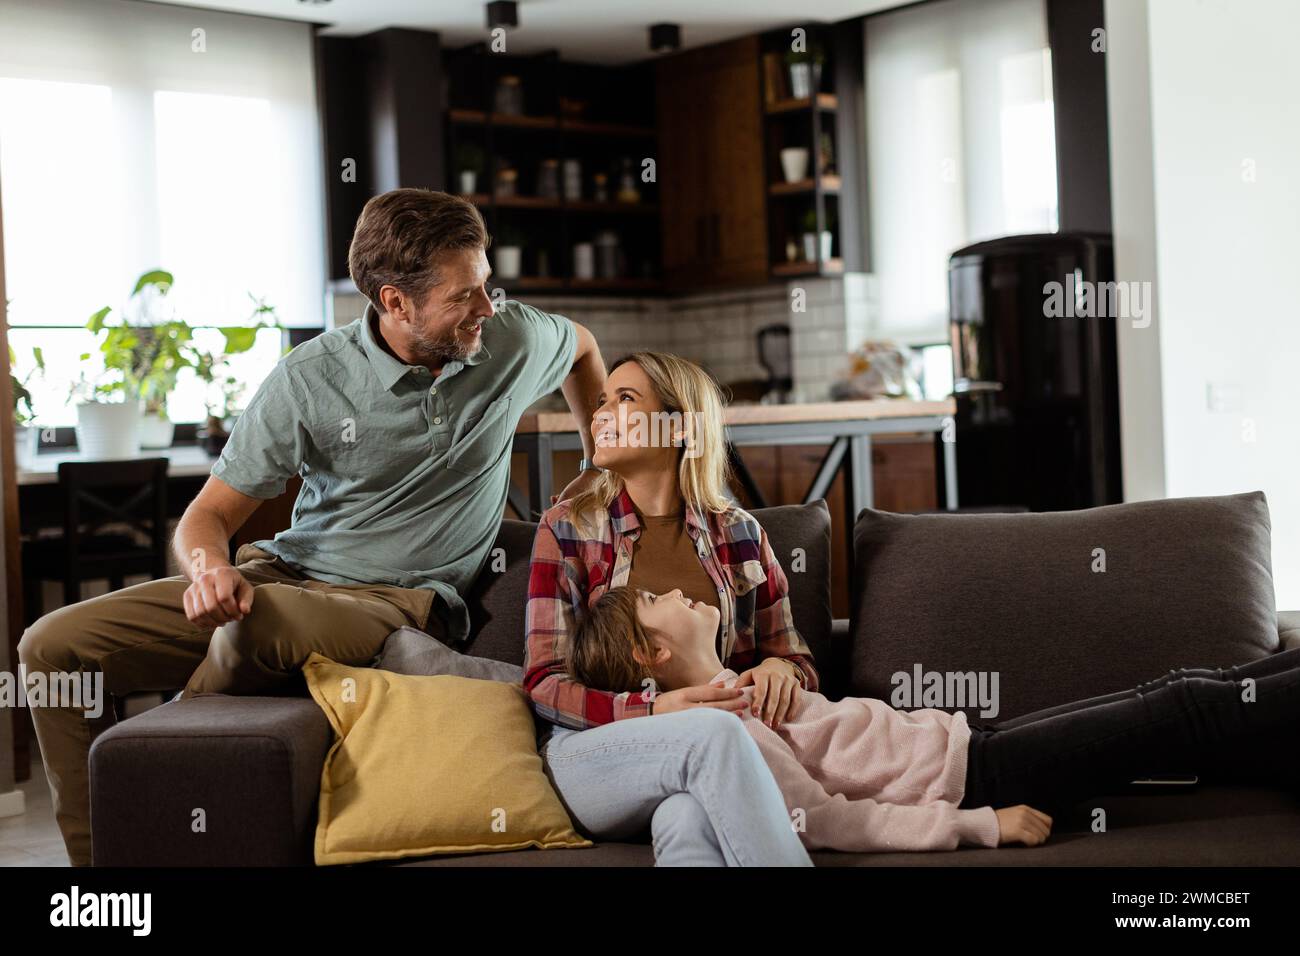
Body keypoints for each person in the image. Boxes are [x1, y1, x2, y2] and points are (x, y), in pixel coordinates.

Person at [20, 188, 611, 867]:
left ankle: (178, 762)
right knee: (49, 648)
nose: (486, 307)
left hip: (391, 603)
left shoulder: (506, 339)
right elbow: (206, 516)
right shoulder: (310, 379)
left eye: (487, 287)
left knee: (249, 627)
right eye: (463, 296)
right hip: (277, 576)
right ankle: (105, 875)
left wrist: (599, 463)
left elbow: (583, 346)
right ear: (395, 301)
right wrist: (210, 572)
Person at [571, 582, 1300, 853]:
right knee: (1179, 708)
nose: (680, 589)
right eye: (655, 598)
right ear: (651, 648)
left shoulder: (741, 691)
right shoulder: (730, 737)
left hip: (970, 745)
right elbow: (828, 820)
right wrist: (979, 826)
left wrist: (774, 669)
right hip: (978, 781)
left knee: (1189, 690)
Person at [523, 351, 816, 866]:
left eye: (625, 399)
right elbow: (544, 683)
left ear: (679, 427)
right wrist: (652, 710)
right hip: (593, 757)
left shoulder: (742, 533)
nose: (600, 415)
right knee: (712, 734)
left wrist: (780, 668)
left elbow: (797, 660)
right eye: (600, 402)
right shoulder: (567, 528)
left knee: (685, 818)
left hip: (709, 762)